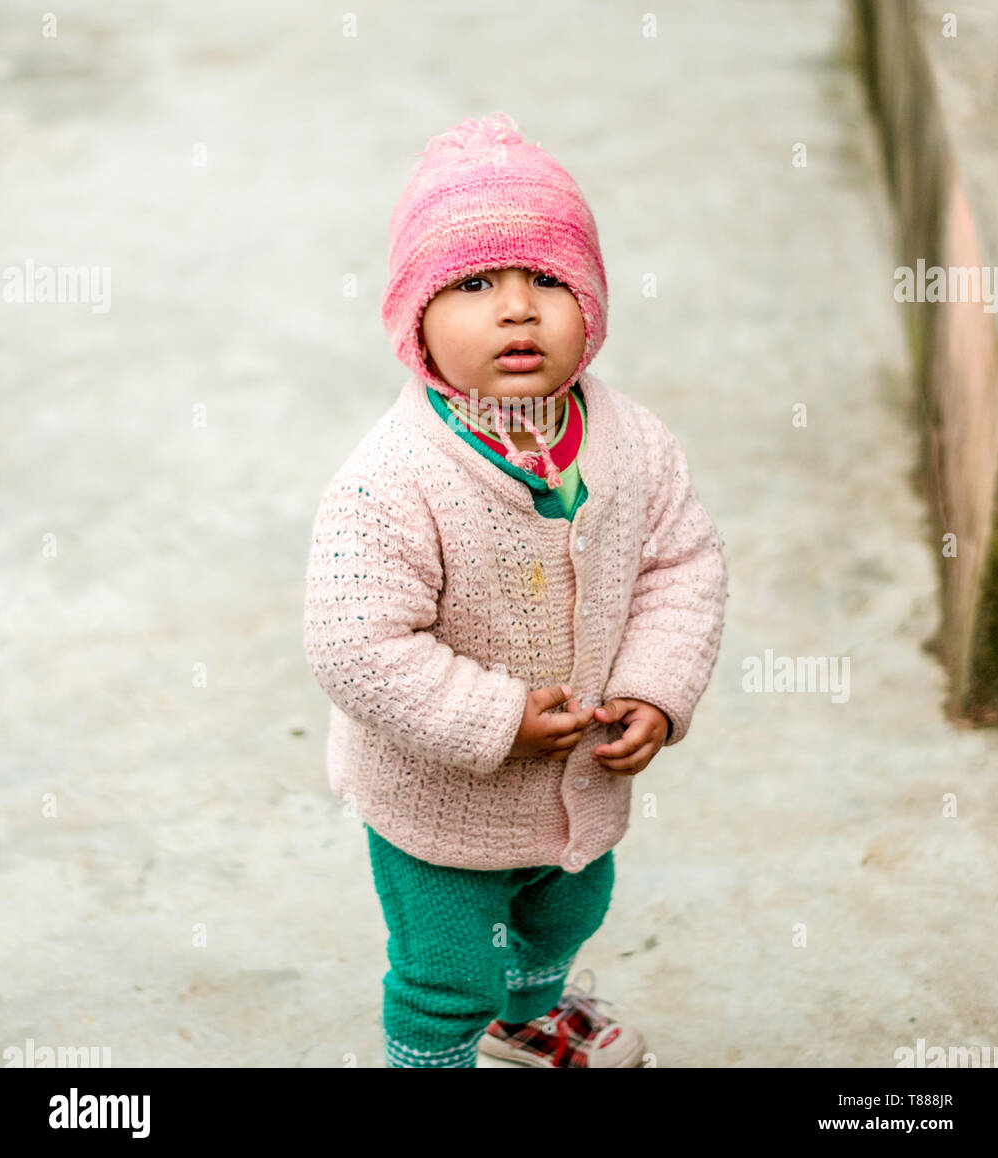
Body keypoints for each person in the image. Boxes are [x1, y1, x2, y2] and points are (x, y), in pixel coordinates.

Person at [303, 111, 728, 1068]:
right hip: (440, 806)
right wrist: (495, 718)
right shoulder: (394, 478)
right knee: (447, 967)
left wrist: (657, 689)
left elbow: (682, 565)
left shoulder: (633, 445)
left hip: (579, 785)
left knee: (568, 905)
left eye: (548, 279)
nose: (517, 308)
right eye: (472, 285)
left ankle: (526, 1016)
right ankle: (437, 1051)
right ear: (414, 322)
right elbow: (354, 643)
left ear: (593, 307)